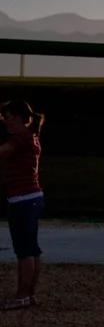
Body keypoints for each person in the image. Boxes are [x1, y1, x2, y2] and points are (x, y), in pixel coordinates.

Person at [1, 99, 45, 311]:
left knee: (24, 251)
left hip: (22, 199)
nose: (5, 121)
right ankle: (29, 295)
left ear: (17, 117)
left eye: (7, 116)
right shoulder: (32, 137)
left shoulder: (21, 137)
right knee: (32, 248)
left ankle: (21, 296)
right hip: (33, 197)